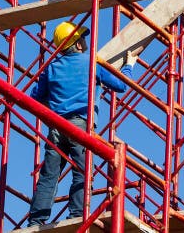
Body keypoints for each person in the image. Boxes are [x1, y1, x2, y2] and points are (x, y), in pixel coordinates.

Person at [27, 21, 136, 226]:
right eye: (82, 39)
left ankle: (36, 221)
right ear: (76, 44)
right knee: (83, 172)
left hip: (56, 126)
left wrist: (54, 103)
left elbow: (33, 98)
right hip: (80, 126)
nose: (85, 42)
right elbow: (121, 85)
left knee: (49, 175)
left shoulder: (52, 68)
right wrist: (129, 65)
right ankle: (76, 216)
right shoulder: (91, 63)